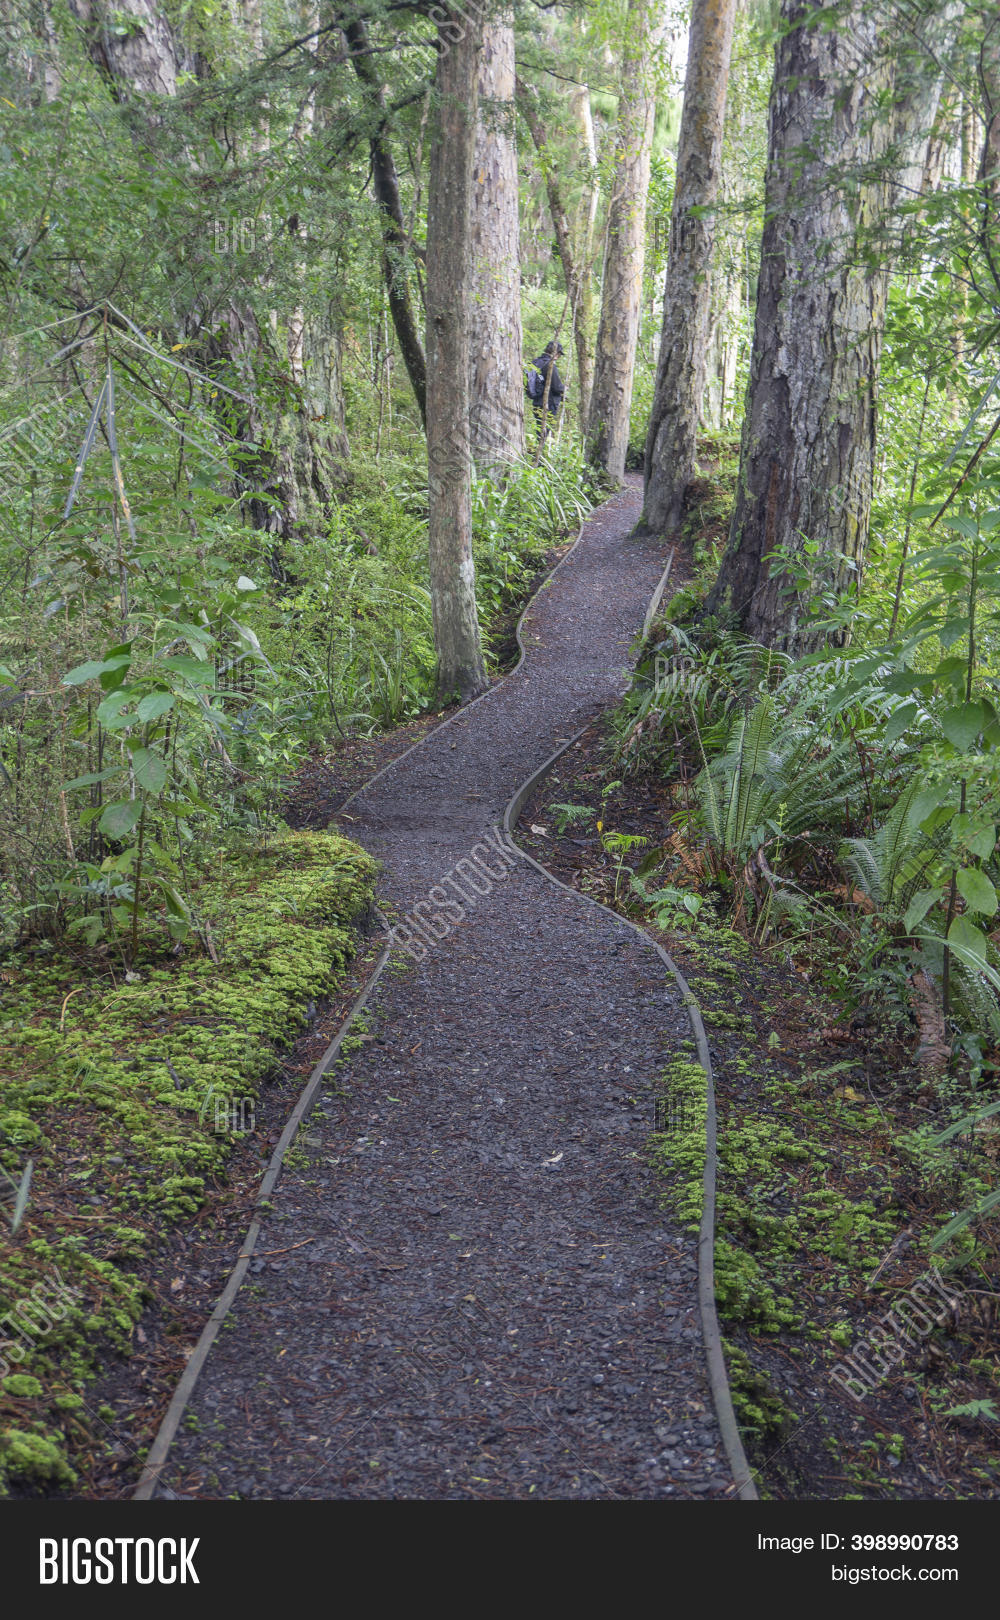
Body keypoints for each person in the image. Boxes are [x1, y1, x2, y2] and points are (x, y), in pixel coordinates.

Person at [526, 341, 565, 440]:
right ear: (556, 353)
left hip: (536, 403)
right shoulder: (550, 365)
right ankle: (537, 453)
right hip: (548, 404)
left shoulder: (535, 362)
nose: (559, 356)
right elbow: (557, 387)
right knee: (543, 434)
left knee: (539, 430)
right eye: (559, 354)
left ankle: (535, 452)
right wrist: (564, 389)